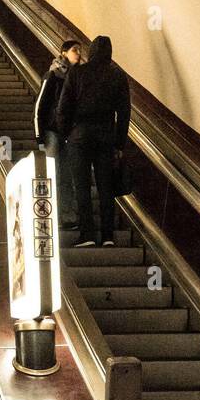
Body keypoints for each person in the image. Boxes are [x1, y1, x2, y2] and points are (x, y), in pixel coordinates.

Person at [57, 35, 131, 247]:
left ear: (91, 52)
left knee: (81, 186)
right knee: (105, 187)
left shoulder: (77, 73)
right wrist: (119, 144)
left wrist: (66, 134)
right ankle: (108, 236)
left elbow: (64, 108)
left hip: (79, 136)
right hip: (106, 137)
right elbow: (124, 112)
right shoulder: (118, 76)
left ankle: (87, 234)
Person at [34, 39, 82, 228]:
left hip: (68, 134)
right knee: (51, 174)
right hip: (51, 133)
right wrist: (39, 136)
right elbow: (39, 106)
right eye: (75, 50)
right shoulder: (52, 75)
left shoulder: (77, 79)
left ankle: (68, 217)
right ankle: (47, 215)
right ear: (63, 52)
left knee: (67, 175)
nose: (79, 53)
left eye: (80, 50)